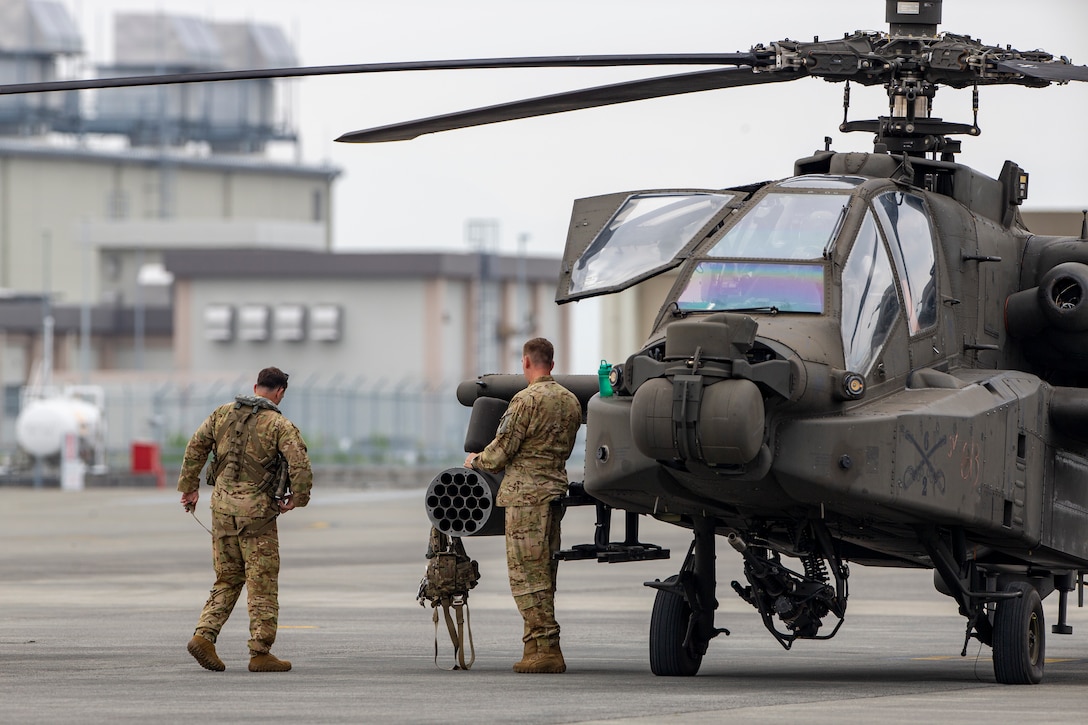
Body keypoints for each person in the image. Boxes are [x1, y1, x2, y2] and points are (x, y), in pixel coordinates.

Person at [178, 366, 313, 673]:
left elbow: (195, 448)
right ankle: (260, 652)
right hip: (257, 516)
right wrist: (298, 499)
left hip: (222, 511)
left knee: (227, 577)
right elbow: (300, 466)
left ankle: (204, 635)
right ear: (279, 392)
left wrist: (189, 489)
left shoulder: (221, 414)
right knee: (261, 583)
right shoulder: (279, 424)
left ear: (255, 387)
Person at [465, 338, 582, 674]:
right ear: (552, 364)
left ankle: (547, 648)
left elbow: (501, 451)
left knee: (526, 577)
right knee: (545, 573)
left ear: (527, 363)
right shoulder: (570, 400)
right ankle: (533, 644)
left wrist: (476, 461)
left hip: (525, 498)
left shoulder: (525, 400)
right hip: (553, 493)